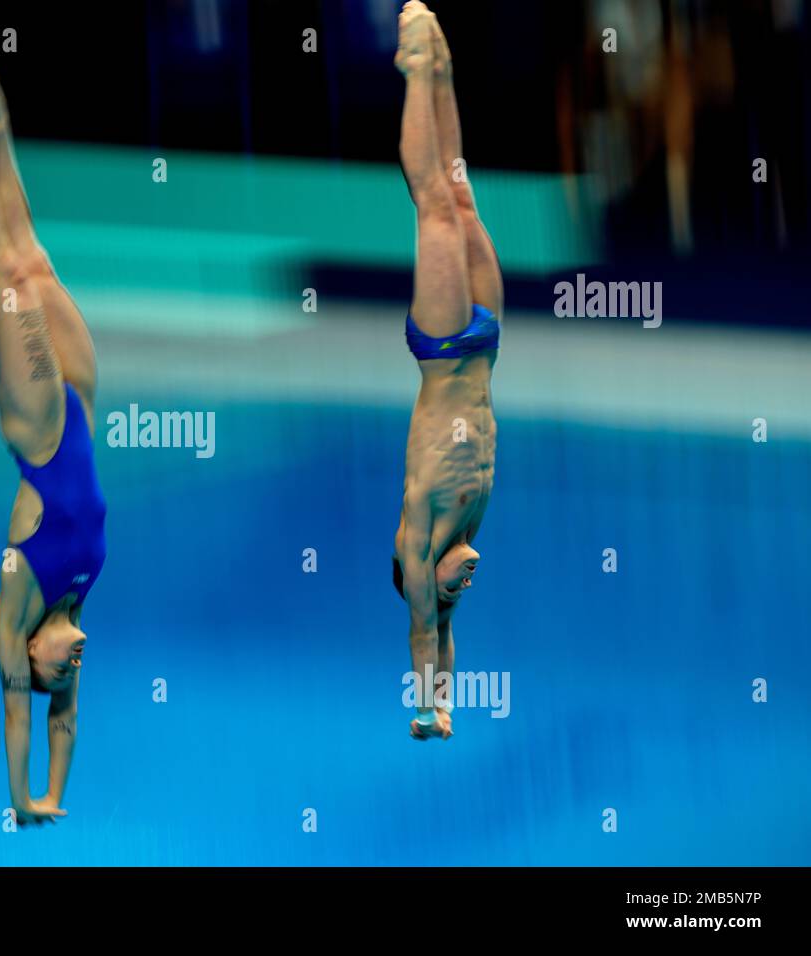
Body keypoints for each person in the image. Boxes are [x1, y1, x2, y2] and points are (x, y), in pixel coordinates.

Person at [0, 62, 107, 819]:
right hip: (79, 404)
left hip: (37, 432)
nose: (72, 660)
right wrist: (59, 794)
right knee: (36, 258)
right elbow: (67, 720)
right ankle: (2, 122)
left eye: (54, 668)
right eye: (67, 667)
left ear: (28, 663)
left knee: (7, 272)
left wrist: (22, 800)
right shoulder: (76, 609)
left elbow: (25, 717)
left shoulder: (16, 609)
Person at [390, 3, 503, 740]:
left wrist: (429, 704)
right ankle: (446, 73)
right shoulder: (469, 522)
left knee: (431, 208)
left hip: (441, 347)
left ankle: (413, 72)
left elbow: (426, 637)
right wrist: (456, 699)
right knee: (459, 196)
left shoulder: (421, 534)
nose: (464, 583)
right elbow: (451, 629)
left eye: (446, 590)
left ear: (420, 579)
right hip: (486, 344)